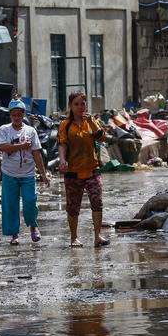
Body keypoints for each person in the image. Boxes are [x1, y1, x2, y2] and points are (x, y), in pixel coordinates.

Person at [58, 92, 108, 248]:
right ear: (71, 107)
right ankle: (74, 237)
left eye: (83, 104)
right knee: (73, 207)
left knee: (97, 202)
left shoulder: (92, 121)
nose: (80, 107)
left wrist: (92, 123)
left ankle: (97, 236)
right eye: (76, 104)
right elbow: (62, 144)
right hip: (73, 172)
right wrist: (62, 160)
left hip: (92, 170)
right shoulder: (65, 125)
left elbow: (101, 138)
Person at [0, 100, 49, 245]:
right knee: (11, 204)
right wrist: (20, 146)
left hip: (28, 174)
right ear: (10, 115)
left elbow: (36, 153)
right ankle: (14, 234)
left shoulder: (31, 131)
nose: (16, 117)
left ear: (23, 115)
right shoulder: (4, 130)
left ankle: (33, 226)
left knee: (30, 202)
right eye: (14, 115)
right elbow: (2, 147)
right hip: (9, 173)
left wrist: (43, 174)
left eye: (19, 115)